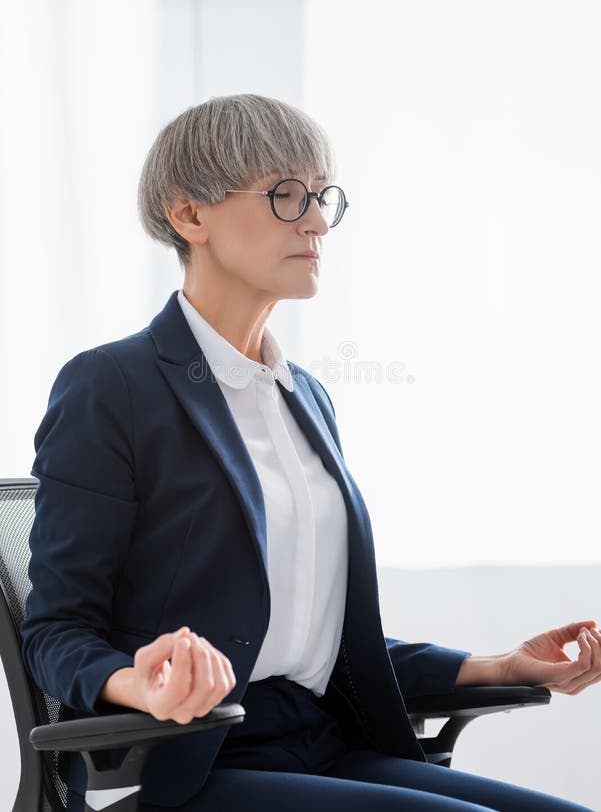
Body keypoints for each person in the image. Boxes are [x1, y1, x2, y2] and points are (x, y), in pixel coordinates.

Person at [21, 94, 598, 812]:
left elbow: (319, 646)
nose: (318, 222)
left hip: (321, 738)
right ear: (189, 215)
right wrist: (141, 685)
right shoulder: (112, 387)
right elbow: (54, 631)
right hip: (184, 760)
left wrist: (497, 667)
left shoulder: (304, 397)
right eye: (285, 196)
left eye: (321, 197)